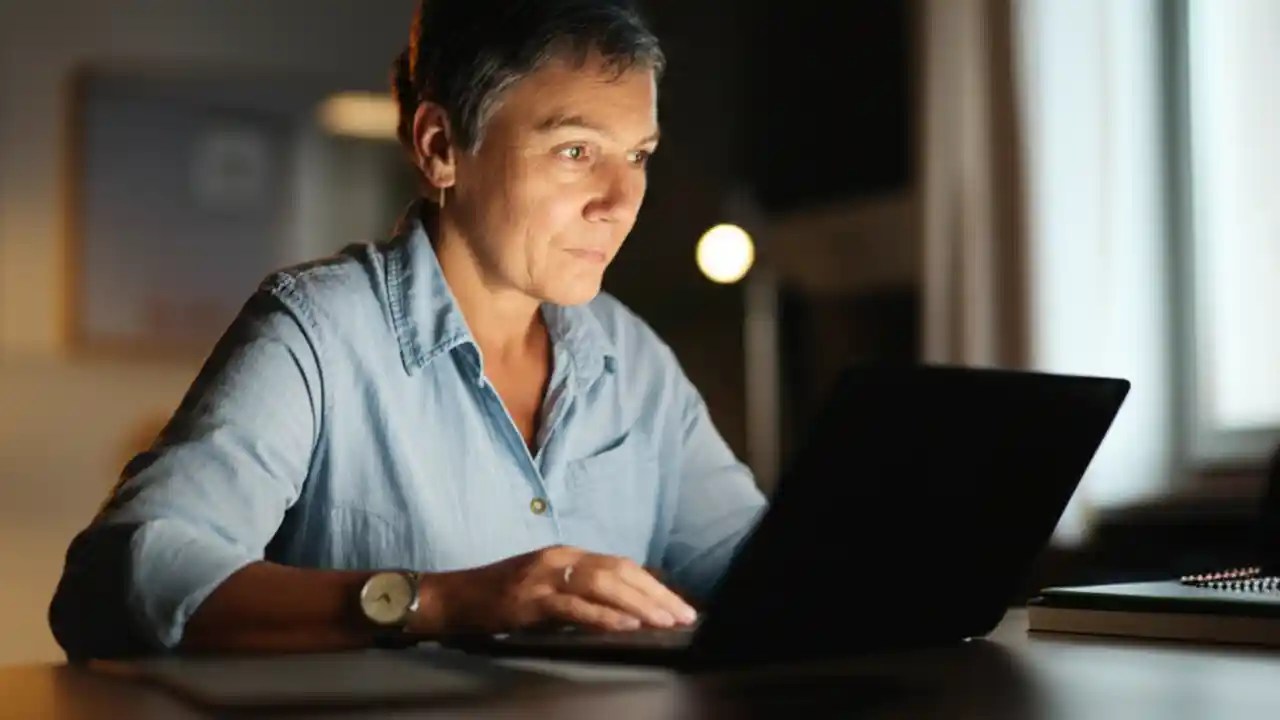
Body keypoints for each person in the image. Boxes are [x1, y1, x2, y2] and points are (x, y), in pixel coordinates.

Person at [48, 0, 767, 660]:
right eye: (575, 151)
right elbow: (115, 584)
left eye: (638, 155)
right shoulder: (319, 331)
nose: (620, 200)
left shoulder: (632, 360)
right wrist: (445, 601)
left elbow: (769, 573)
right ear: (441, 147)